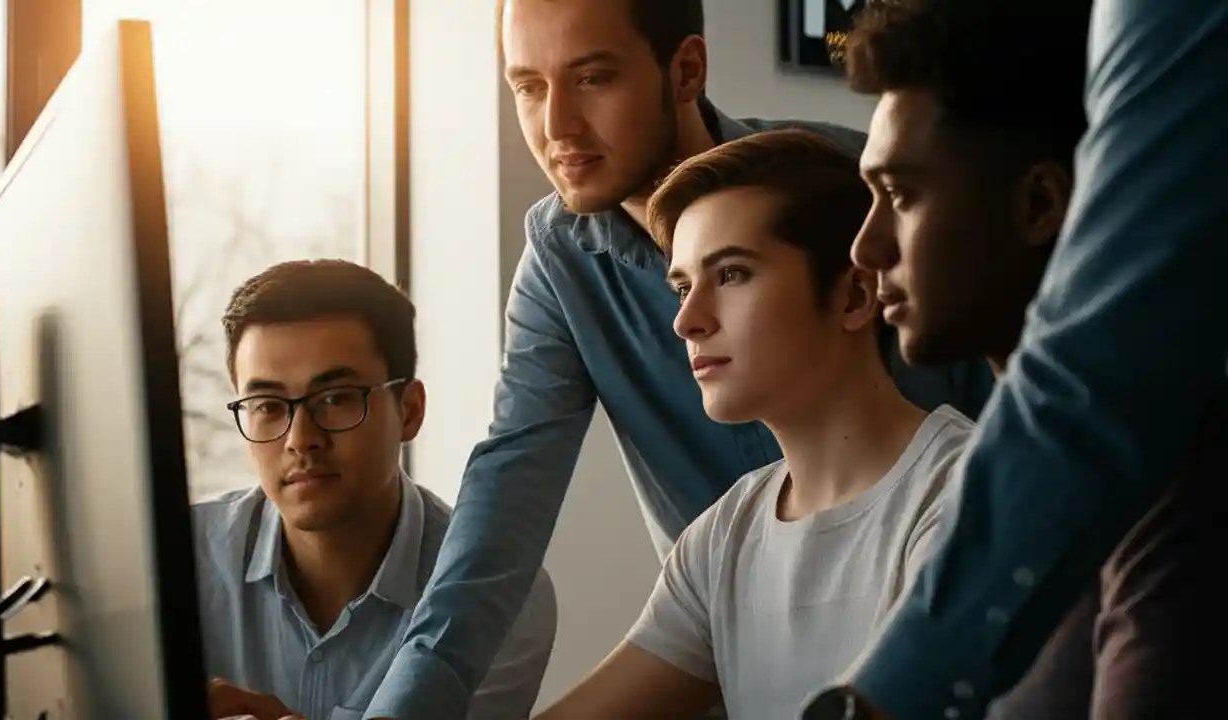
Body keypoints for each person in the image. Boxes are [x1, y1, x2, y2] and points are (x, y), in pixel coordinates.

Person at [366, 2, 993, 715]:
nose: (558, 127)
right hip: (722, 646)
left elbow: (1018, 370)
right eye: (528, 88)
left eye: (593, 78)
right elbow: (502, 508)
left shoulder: (860, 188)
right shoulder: (718, 544)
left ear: (686, 68)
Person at [800, 1, 1228, 718]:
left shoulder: (1176, 497)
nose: (865, 251)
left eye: (900, 196)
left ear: (1040, 204)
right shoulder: (984, 496)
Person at [535, 128, 974, 719]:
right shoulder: (723, 537)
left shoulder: (963, 498)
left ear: (854, 296)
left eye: (733, 275)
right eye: (684, 286)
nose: (687, 321)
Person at [191, 260, 557, 720]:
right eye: (267, 405)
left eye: (336, 399)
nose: (300, 438)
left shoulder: (500, 595)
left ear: (409, 410)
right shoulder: (176, 567)